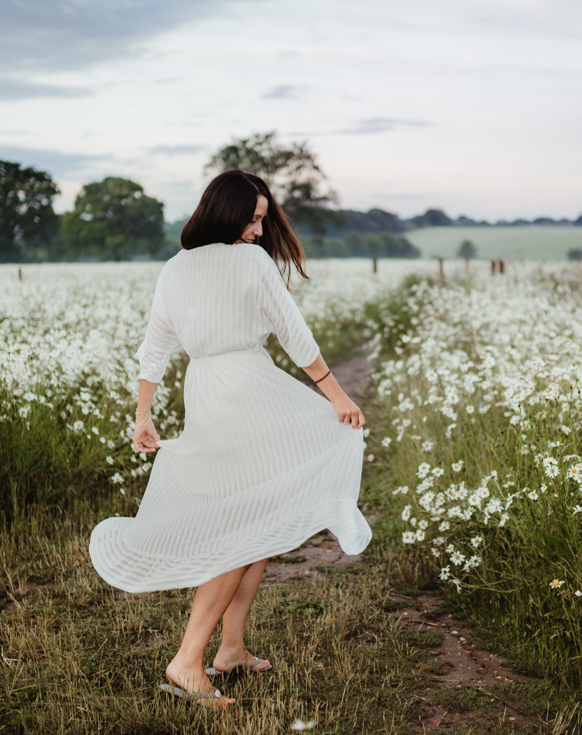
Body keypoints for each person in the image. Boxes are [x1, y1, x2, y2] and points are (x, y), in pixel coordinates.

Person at [88, 170, 372, 707]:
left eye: (263, 219)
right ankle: (187, 660)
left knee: (258, 514)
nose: (259, 230)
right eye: (252, 218)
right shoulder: (248, 261)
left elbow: (156, 348)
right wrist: (336, 395)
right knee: (240, 526)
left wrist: (142, 414)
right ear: (225, 213)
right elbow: (294, 333)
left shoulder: (175, 269)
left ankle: (231, 648)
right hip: (245, 390)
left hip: (210, 391)